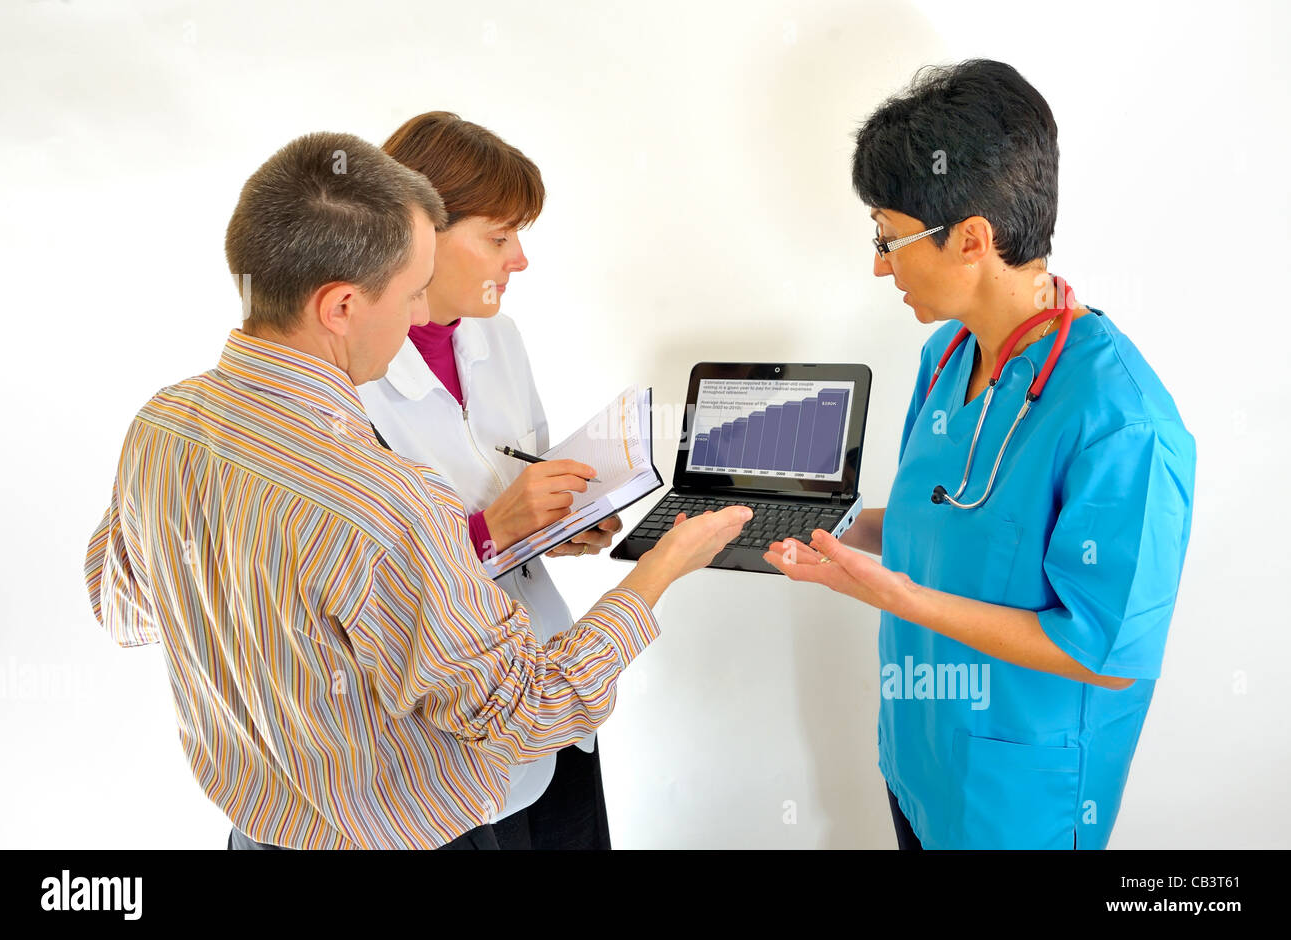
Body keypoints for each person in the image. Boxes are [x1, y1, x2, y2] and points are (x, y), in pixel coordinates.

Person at [84, 130, 751, 850]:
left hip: (262, 831)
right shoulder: (385, 495)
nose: (418, 320)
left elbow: (123, 612)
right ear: (340, 307)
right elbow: (532, 709)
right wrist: (661, 569)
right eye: (409, 295)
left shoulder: (164, 426)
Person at [764, 59, 1196, 850]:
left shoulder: (1122, 420)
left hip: (1018, 801)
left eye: (888, 238)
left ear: (973, 240)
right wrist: (830, 525)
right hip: (920, 761)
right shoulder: (948, 358)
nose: (877, 263)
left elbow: (1105, 655)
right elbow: (948, 527)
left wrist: (895, 597)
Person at [357, 112, 623, 849]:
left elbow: (513, 476)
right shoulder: (345, 376)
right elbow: (367, 579)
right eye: (499, 238)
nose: (520, 262)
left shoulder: (498, 337)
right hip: (449, 737)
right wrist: (492, 529)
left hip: (550, 691)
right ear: (416, 235)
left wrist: (563, 520)